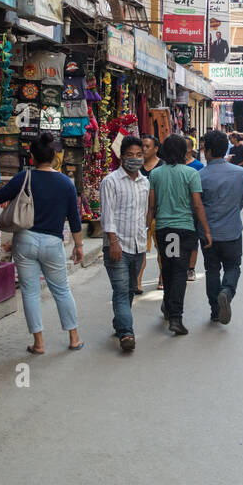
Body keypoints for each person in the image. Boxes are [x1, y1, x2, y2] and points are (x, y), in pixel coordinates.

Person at [0, 133, 83, 353]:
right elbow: (75, 219)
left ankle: (39, 343)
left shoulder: (24, 177)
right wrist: (79, 246)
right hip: (52, 242)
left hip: (25, 240)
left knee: (30, 292)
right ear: (54, 157)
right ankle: (74, 337)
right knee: (61, 290)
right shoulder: (66, 183)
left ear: (32, 157)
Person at [148, 134, 213, 335]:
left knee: (168, 268)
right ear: (185, 151)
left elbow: (151, 206)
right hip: (184, 229)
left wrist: (144, 228)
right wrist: (207, 230)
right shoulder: (191, 174)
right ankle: (175, 317)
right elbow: (197, 204)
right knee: (179, 271)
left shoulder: (156, 174)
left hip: (164, 229)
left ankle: (168, 307)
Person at [99, 136, 150, 353]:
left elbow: (145, 212)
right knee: (121, 291)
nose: (135, 159)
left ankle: (120, 322)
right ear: (121, 156)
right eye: (130, 155)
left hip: (138, 245)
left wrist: (145, 236)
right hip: (117, 245)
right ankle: (127, 333)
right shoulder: (110, 181)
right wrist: (113, 242)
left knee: (129, 290)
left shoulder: (145, 182)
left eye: (139, 155)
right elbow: (107, 215)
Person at [198, 130, 243, 325]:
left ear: (208, 151)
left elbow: (197, 206)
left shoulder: (200, 176)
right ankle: (226, 291)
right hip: (232, 231)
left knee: (211, 270)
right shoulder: (240, 173)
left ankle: (215, 311)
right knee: (233, 266)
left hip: (208, 233)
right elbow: (240, 202)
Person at [136, 135, 162, 294]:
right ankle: (137, 281)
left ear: (156, 149)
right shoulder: (136, 167)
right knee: (140, 251)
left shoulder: (162, 167)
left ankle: (162, 278)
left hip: (159, 216)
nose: (144, 149)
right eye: (142, 146)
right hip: (139, 216)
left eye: (147, 146)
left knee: (162, 250)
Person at [184, 139, 205, 280]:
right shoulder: (173, 165)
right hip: (177, 210)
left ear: (191, 149)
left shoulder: (198, 166)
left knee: (193, 241)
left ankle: (191, 269)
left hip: (193, 210)